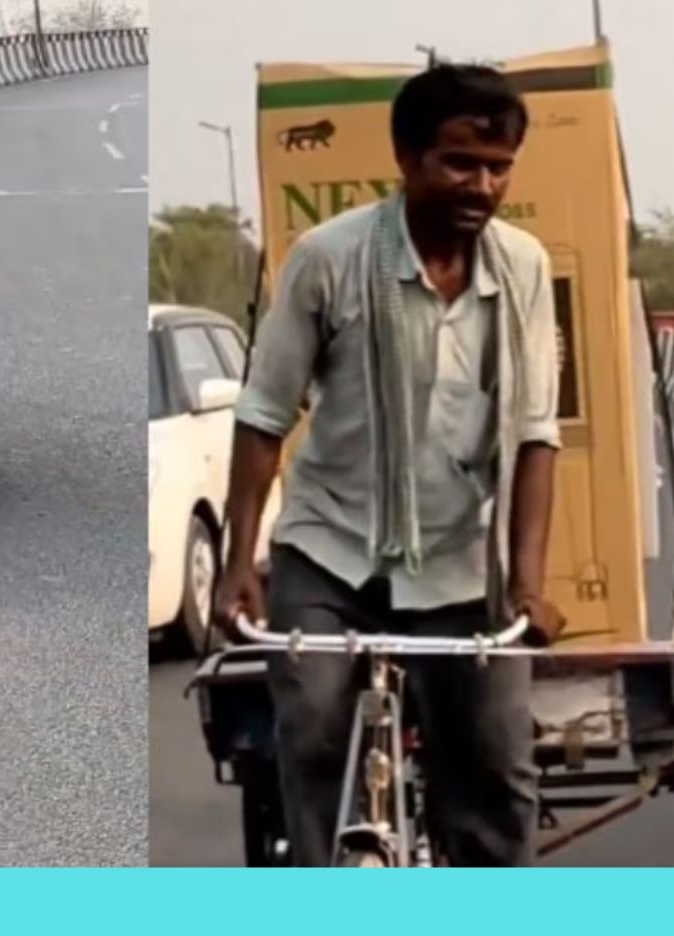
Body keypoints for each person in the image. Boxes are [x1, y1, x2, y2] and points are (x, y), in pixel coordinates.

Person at [213, 64, 566, 867]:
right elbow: (264, 415)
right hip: (330, 553)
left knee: (496, 771)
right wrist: (237, 565)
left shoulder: (523, 268)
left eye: (499, 167)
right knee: (312, 734)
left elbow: (534, 436)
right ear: (406, 159)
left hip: (461, 563)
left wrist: (528, 585)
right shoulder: (328, 258)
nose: (482, 186)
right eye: (460, 163)